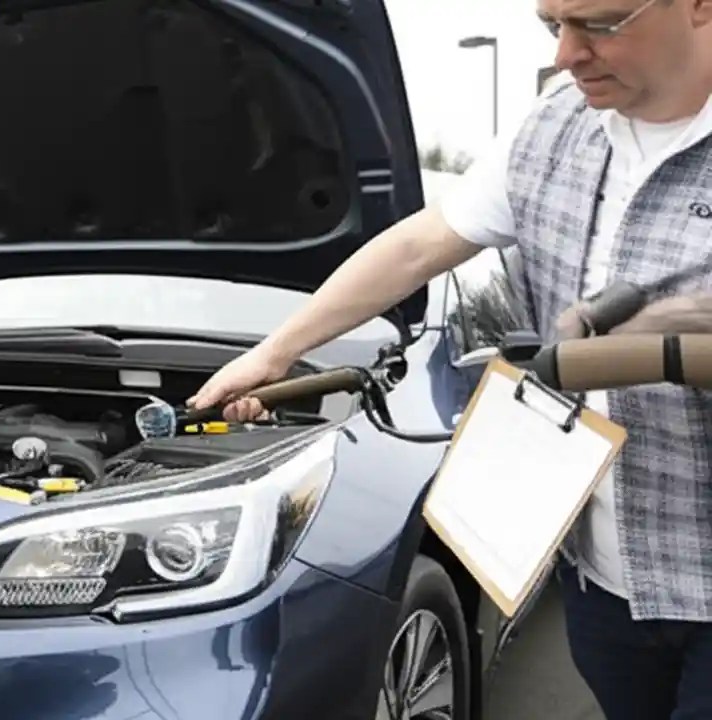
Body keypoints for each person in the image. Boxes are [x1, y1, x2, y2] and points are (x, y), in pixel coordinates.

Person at [188, 1, 712, 717]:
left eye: (601, 23)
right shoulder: (554, 127)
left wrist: (671, 342)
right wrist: (276, 352)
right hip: (606, 587)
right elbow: (417, 246)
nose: (565, 54)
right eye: (550, 24)